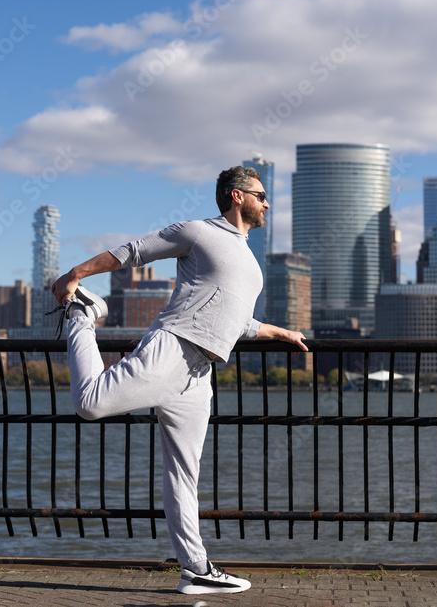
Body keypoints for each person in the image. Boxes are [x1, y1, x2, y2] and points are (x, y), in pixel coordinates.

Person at [51, 166, 307, 595]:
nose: (267, 202)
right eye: (261, 195)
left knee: (184, 474)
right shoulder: (198, 232)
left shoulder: (248, 258)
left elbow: (236, 321)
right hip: (173, 350)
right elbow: (135, 251)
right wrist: (76, 275)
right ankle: (83, 313)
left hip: (199, 373)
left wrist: (281, 333)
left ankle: (196, 569)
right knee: (90, 404)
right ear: (237, 195)